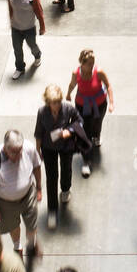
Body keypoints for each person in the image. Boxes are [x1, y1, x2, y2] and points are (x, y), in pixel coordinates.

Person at [34, 84, 91, 230]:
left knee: (66, 169)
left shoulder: (68, 108)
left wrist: (70, 130)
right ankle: (52, 211)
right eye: (54, 102)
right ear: (48, 102)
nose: (57, 105)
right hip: (48, 147)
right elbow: (39, 133)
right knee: (51, 177)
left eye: (59, 101)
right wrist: (37, 151)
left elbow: (80, 121)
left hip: (66, 146)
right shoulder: (42, 112)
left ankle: (66, 189)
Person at [0, 129, 43, 257]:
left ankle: (32, 244)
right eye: (14, 152)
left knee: (32, 225)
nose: (18, 155)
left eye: (19, 150)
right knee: (13, 226)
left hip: (28, 195)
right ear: (5, 148)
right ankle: (17, 247)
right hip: (6, 202)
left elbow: (37, 166)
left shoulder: (28, 148)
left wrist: (38, 188)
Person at [66, 49, 114, 171]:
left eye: (93, 63)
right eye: (89, 64)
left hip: (99, 104)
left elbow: (108, 85)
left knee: (97, 124)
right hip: (82, 106)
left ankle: (97, 136)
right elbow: (72, 85)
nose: (92, 66)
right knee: (85, 131)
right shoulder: (76, 73)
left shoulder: (98, 72)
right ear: (82, 63)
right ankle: (86, 161)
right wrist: (68, 94)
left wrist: (111, 103)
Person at [7, 0, 45, 80]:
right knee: (17, 49)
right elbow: (11, 8)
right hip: (16, 28)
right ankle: (19, 68)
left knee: (32, 45)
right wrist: (11, 21)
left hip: (29, 28)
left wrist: (42, 27)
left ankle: (37, 55)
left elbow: (40, 13)